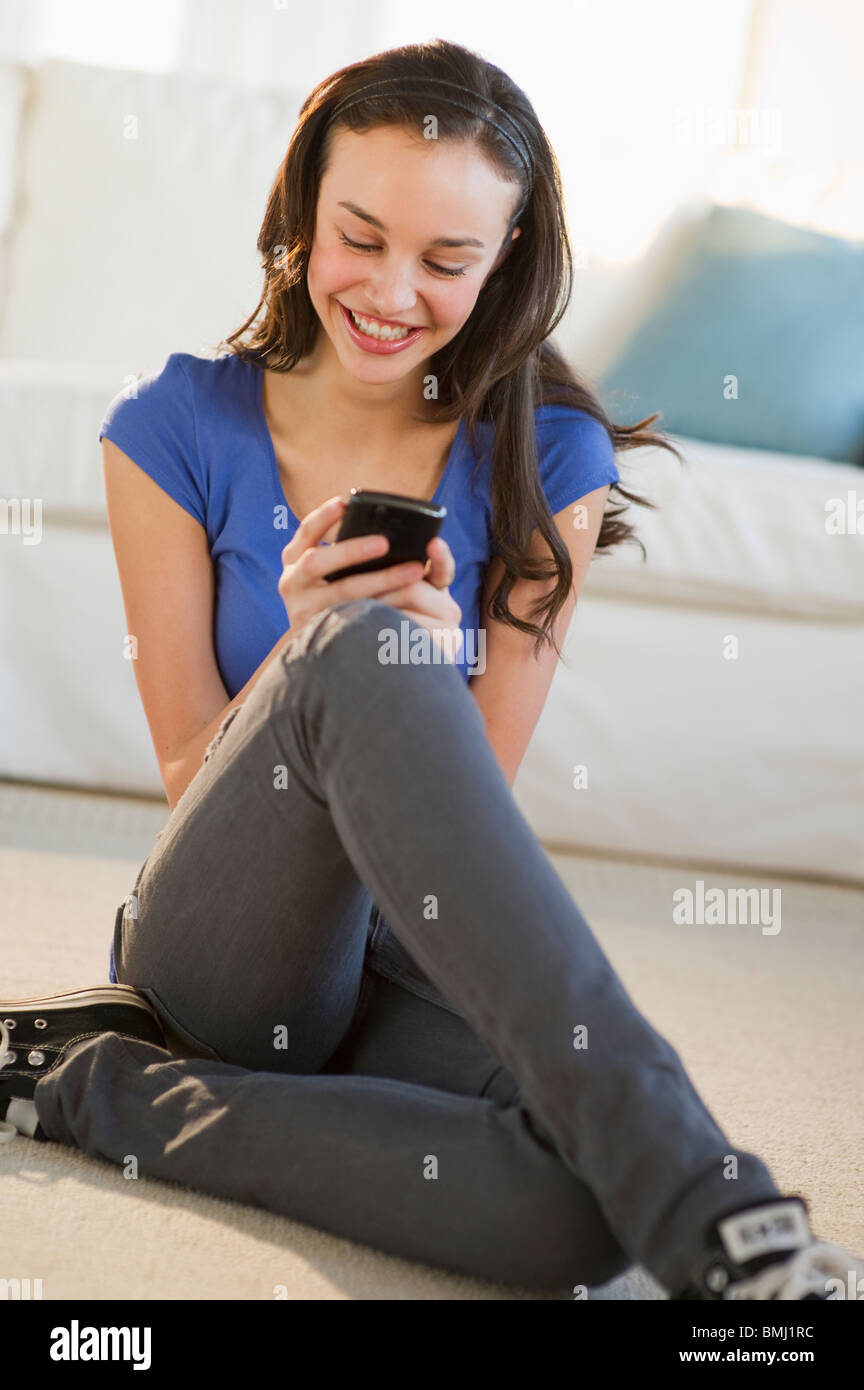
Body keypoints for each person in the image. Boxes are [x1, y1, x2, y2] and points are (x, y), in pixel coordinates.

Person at [2, 38, 860, 1301]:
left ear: (503, 259)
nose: (393, 291)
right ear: (299, 217)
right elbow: (191, 765)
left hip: (405, 949)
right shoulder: (171, 426)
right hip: (223, 955)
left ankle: (96, 1082)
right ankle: (729, 1223)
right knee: (368, 640)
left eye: (448, 260)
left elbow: (479, 801)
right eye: (361, 236)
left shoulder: (544, 455)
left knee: (580, 1211)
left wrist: (394, 658)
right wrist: (319, 648)